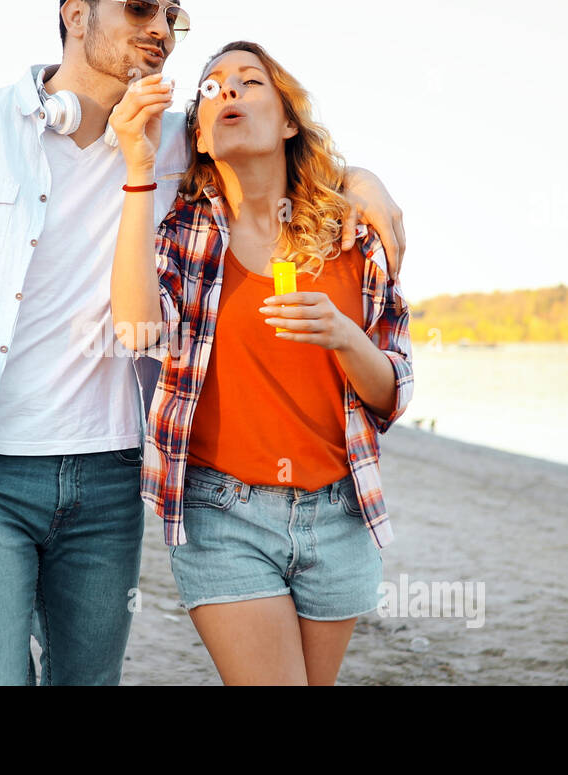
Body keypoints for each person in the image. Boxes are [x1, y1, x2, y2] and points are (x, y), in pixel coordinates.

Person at [0, 0, 404, 685]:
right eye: (139, 8)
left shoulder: (179, 139)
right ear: (74, 14)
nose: (159, 28)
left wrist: (364, 182)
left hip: (111, 477)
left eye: (172, 17)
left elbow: (283, 156)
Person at [109, 41, 414, 684]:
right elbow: (135, 330)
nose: (227, 93)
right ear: (198, 132)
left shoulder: (353, 234)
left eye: (249, 82)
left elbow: (393, 395)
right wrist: (139, 171)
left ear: (288, 121)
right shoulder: (182, 234)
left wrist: (346, 339)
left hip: (340, 514)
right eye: (212, 88)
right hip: (224, 514)